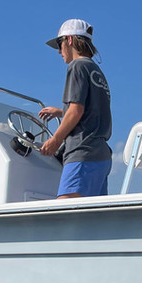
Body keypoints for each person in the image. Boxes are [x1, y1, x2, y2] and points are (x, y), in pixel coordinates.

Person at [38, 19, 112, 198]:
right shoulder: (96, 71)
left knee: (66, 211)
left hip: (82, 152)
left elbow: (76, 110)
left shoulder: (77, 66)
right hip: (101, 157)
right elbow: (93, 110)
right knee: (90, 220)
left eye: (59, 43)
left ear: (69, 40)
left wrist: (55, 140)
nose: (58, 51)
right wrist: (61, 111)